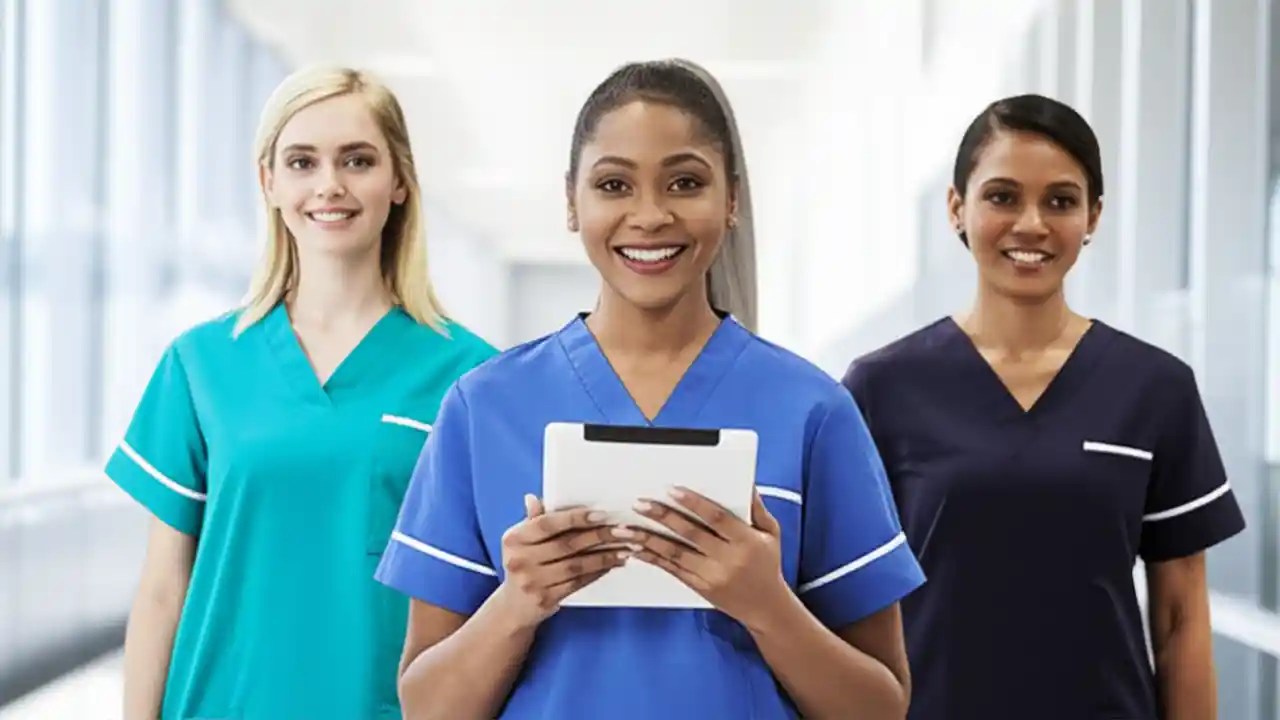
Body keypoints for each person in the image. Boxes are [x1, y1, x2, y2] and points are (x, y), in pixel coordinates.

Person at [375, 59, 924, 720]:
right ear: (572, 202)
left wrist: (765, 604)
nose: (650, 214)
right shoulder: (483, 408)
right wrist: (517, 604)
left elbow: (881, 707)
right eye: (613, 184)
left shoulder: (813, 411)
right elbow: (426, 708)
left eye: (685, 182)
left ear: (732, 201)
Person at [107, 66, 495, 720]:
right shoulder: (202, 363)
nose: (329, 185)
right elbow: (162, 590)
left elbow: (484, 599)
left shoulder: (473, 377)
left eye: (357, 160)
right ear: (270, 182)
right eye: (302, 162)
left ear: (399, 181)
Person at [843, 94, 1246, 719]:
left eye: (1060, 201)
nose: (1031, 224)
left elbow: (1180, 617)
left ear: (1093, 217)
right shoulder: (881, 389)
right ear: (958, 208)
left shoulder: (1154, 387)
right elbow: (849, 607)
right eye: (1002, 196)